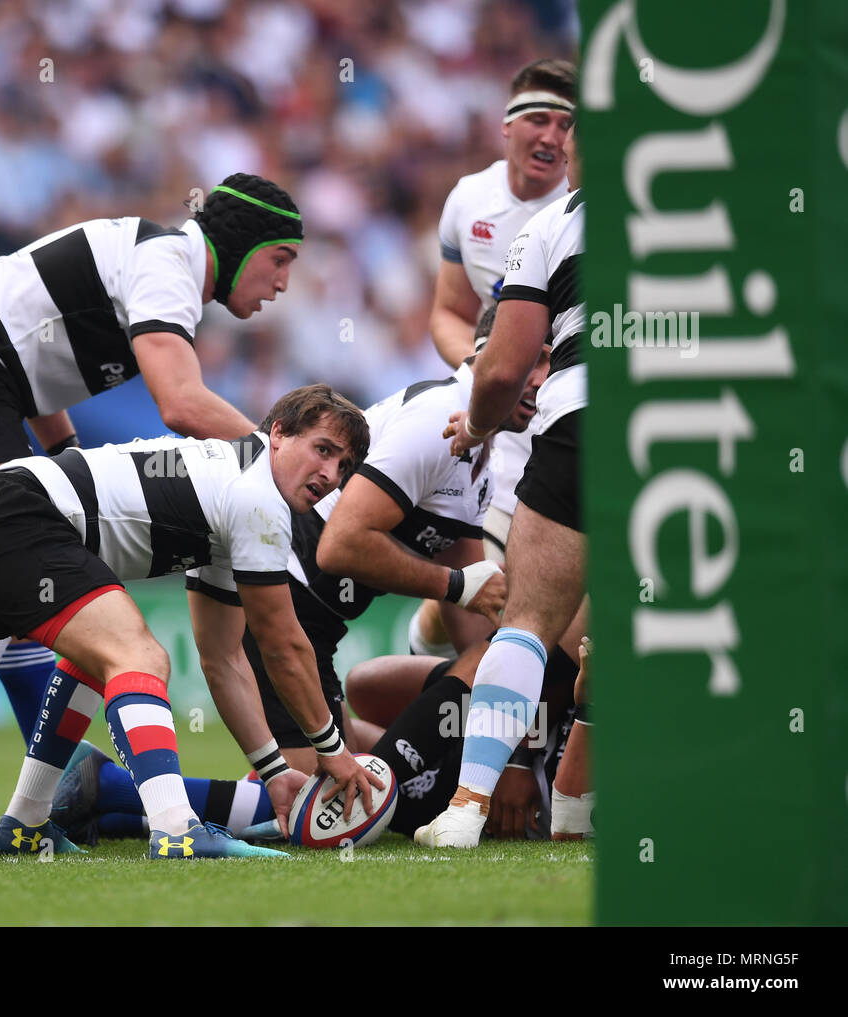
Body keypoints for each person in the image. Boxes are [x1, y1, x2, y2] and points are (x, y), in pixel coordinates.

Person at [0, 172, 322, 849]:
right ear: (244, 243)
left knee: (14, 568)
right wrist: (275, 465)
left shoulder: (153, 268)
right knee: (7, 558)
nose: (283, 283)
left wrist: (65, 461)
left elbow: (28, 356)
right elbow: (183, 405)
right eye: (281, 259)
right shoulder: (169, 264)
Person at [50, 330, 546, 843]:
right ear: (490, 351)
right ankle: (109, 788)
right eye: (538, 358)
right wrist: (457, 586)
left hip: (316, 617)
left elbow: (474, 623)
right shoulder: (435, 419)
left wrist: (506, 750)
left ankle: (107, 809)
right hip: (285, 593)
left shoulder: (481, 456)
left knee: (353, 791)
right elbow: (342, 547)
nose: (543, 380)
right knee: (339, 806)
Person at [0, 385, 384, 858]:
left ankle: (24, 823)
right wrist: (333, 751)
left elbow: (223, 658)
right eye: (323, 449)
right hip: (8, 515)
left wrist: (272, 771)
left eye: (344, 467)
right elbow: (283, 646)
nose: (331, 475)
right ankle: (176, 830)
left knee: (97, 655)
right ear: (277, 433)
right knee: (138, 656)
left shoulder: (236, 486)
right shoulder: (258, 499)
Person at [415, 124, 587, 848]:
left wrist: (479, 428)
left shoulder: (553, 225)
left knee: (528, 625)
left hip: (587, 415)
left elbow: (504, 364)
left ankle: (467, 806)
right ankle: (583, 812)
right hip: (704, 425)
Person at [413, 58, 575, 659]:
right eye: (539, 119)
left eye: (567, 125)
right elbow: (448, 311)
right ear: (507, 126)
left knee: (539, 605)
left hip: (565, 413)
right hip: (496, 418)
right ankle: (443, 672)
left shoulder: (583, 209)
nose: (553, 138)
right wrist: (485, 372)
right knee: (493, 588)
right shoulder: (469, 200)